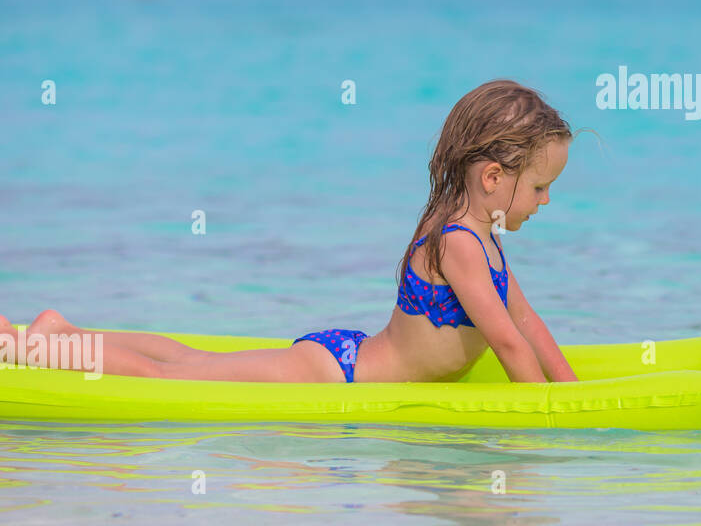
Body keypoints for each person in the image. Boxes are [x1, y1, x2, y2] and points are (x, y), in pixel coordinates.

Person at [1, 79, 579, 383]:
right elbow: (506, 343)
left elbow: (526, 323)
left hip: (352, 358)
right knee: (179, 373)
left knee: (187, 357)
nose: (546, 200)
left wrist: (572, 392)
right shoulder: (458, 240)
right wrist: (546, 424)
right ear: (492, 176)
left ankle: (60, 332)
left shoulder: (484, 231)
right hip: (337, 377)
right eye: (538, 187)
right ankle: (26, 350)